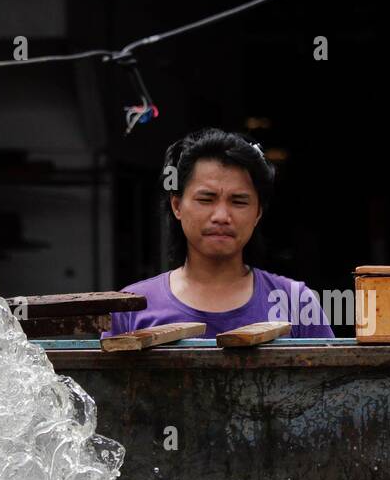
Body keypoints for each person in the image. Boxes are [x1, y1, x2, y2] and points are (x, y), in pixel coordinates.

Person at [105, 128, 334, 339]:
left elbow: (336, 382)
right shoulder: (132, 309)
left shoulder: (296, 302)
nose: (222, 216)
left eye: (239, 201)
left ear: (257, 213)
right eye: (206, 199)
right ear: (177, 206)